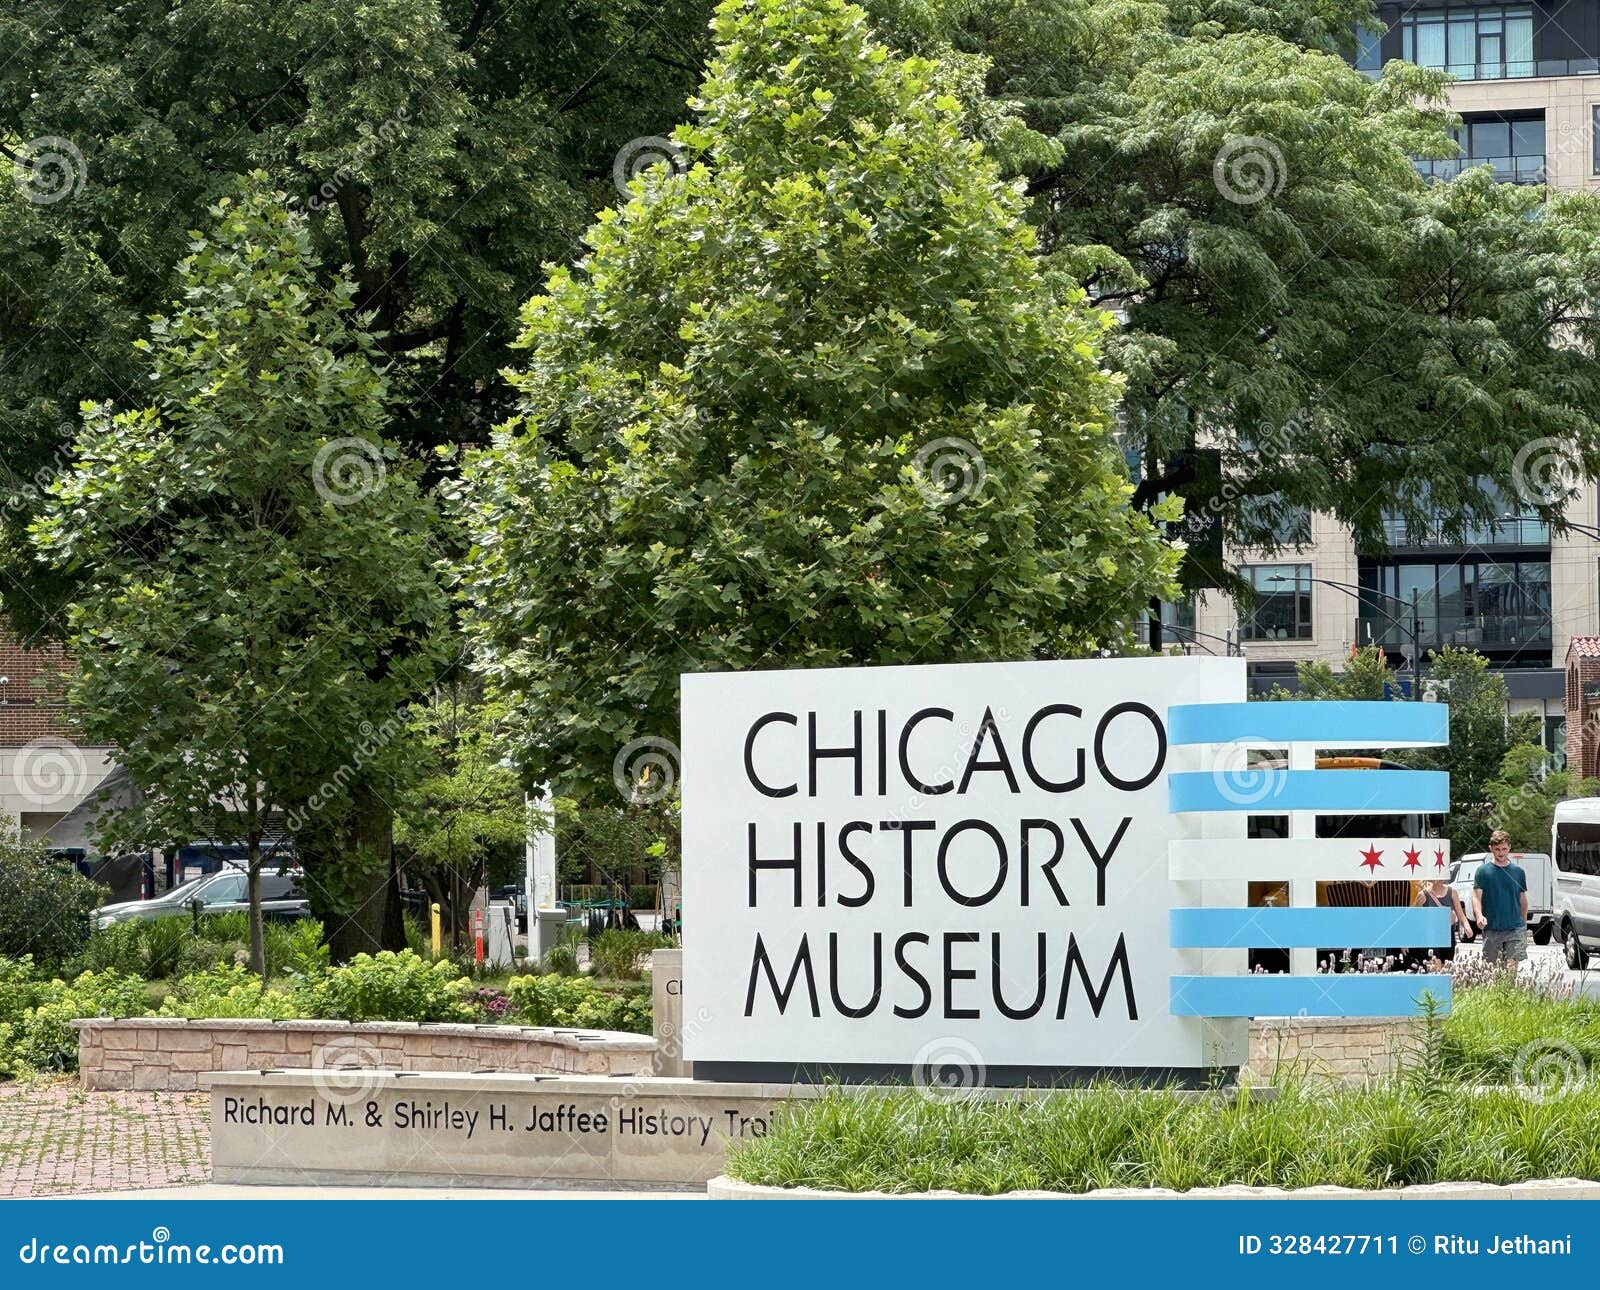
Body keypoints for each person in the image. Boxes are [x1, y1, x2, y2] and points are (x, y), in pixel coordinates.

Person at [1473, 829, 1529, 965]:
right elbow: (1476, 897)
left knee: (1511, 970)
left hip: (1515, 928)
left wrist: (1524, 924)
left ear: (1509, 847)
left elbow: (1522, 899)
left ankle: (1511, 987)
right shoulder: (1483, 871)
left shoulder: (1518, 872)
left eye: (1504, 849)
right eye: (1497, 849)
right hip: (1492, 927)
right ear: (1491, 848)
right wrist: (1479, 915)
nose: (1501, 853)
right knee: (1492, 970)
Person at [1415, 871, 1472, 968]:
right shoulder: (1423, 895)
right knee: (1435, 967)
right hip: (1431, 937)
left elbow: (1461, 914)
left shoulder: (1452, 892)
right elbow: (1415, 920)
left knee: (1446, 968)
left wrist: (1467, 926)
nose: (1441, 878)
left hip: (1447, 936)